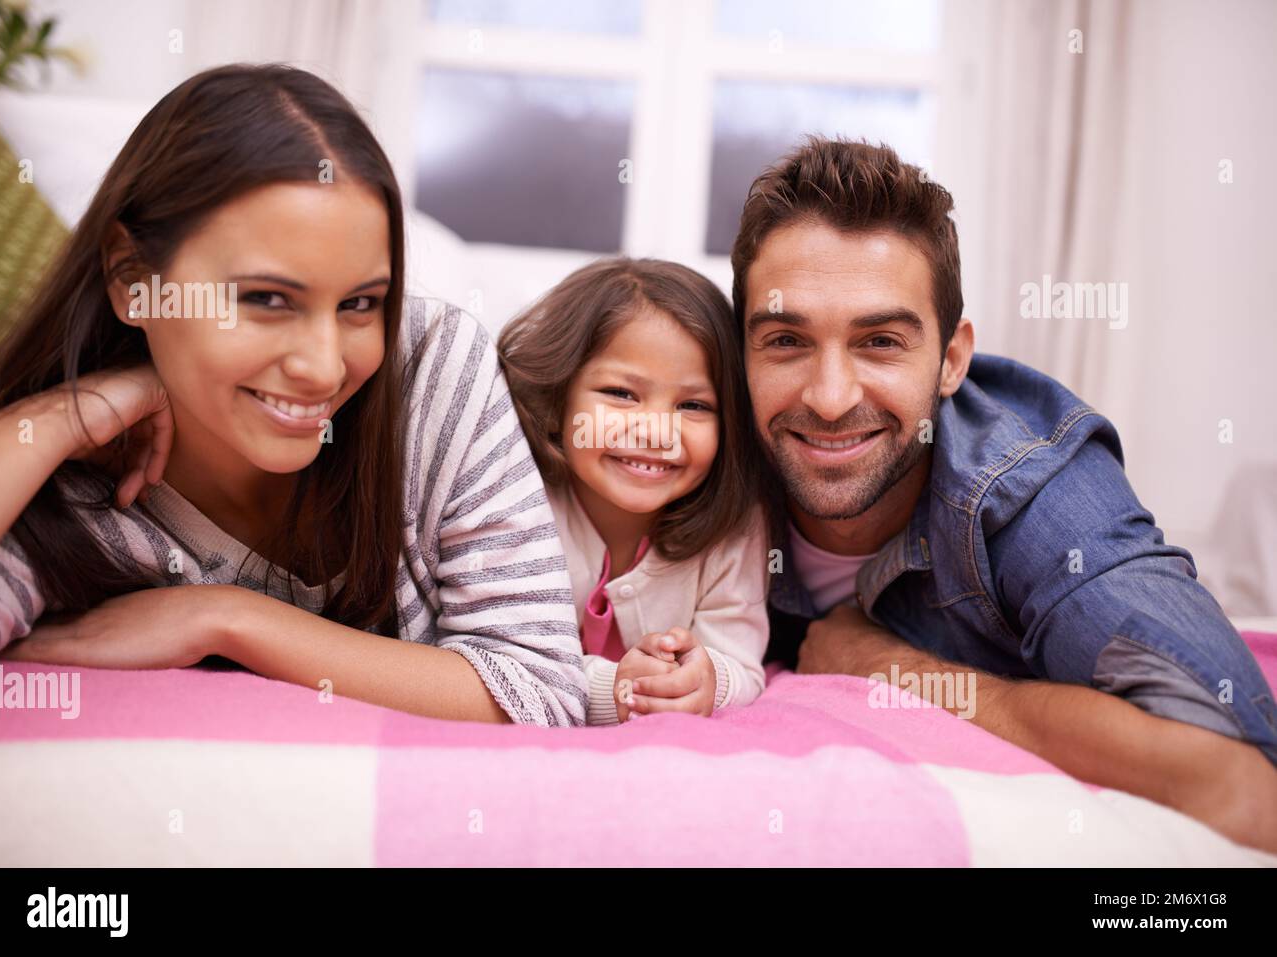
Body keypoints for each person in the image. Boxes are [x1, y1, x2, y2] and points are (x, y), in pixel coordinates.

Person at [0, 64, 587, 727]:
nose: (323, 368)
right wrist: (54, 417)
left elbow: (541, 692)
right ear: (131, 278)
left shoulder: (432, 370)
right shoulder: (64, 489)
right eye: (268, 299)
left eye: (360, 303)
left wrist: (226, 618)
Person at [735, 135, 1277, 851]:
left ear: (952, 359)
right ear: (736, 350)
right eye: (785, 341)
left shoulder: (1034, 491)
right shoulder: (694, 447)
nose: (831, 399)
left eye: (880, 343)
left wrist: (888, 668)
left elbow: (1243, 789)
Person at [499, 258, 769, 725]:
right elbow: (499, 658)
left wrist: (707, 679)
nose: (656, 431)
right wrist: (617, 688)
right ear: (558, 398)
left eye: (693, 405)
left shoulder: (735, 528)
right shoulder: (519, 498)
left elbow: (741, 663)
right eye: (622, 394)